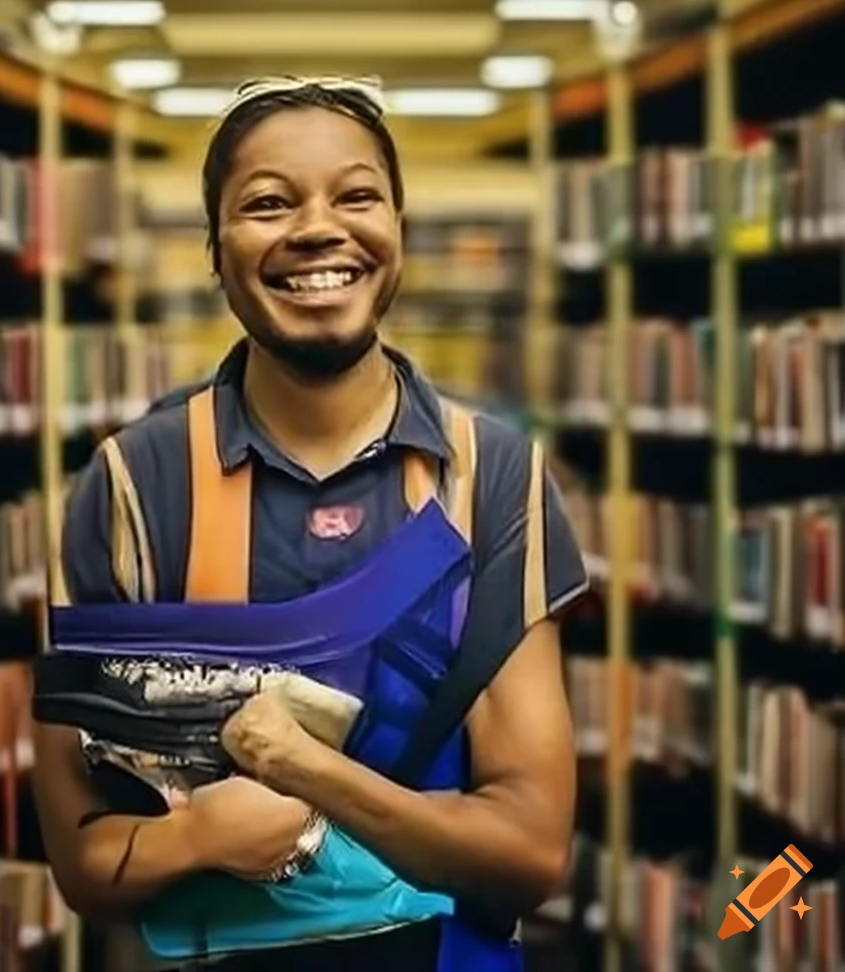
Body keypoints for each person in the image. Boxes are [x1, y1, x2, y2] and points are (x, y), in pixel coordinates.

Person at [31, 75, 587, 972]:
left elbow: (529, 855)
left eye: (358, 194)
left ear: (398, 228)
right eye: (267, 203)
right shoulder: (132, 486)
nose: (318, 228)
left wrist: (304, 771)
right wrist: (200, 835)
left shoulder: (493, 478)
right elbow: (84, 859)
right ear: (216, 249)